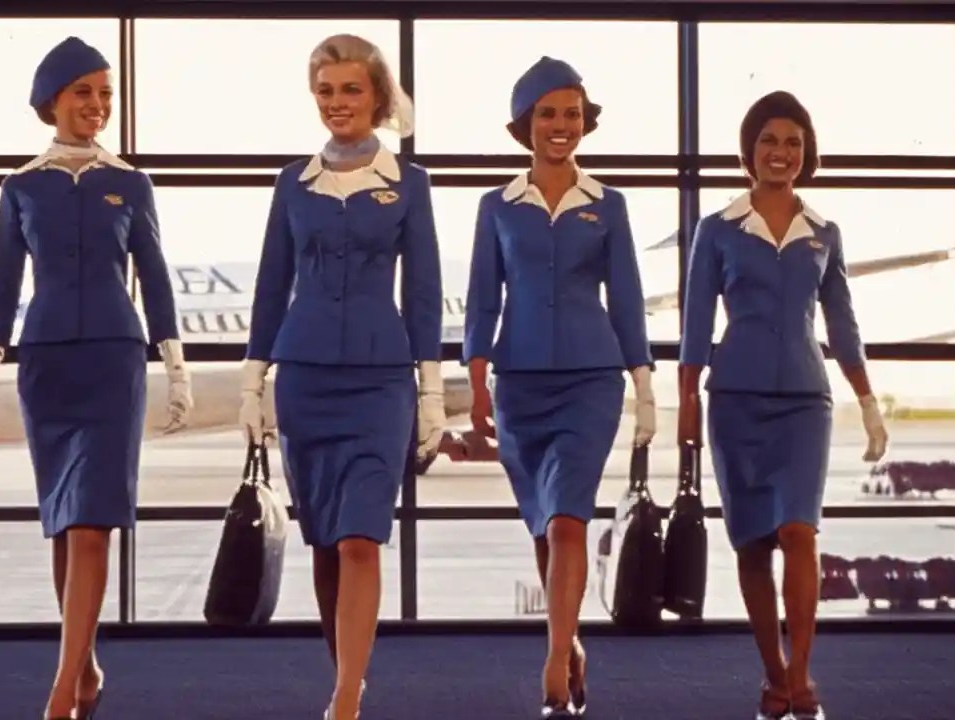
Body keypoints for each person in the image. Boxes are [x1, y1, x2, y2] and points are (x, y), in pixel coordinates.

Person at [0, 36, 193, 720]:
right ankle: (85, 663)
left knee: (94, 522)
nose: (97, 106)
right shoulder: (22, 186)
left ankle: (63, 691)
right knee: (65, 524)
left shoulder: (130, 183)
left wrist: (176, 365)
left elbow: (154, 278)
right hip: (46, 364)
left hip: (112, 362)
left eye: (105, 93)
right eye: (83, 93)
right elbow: (3, 284)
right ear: (52, 104)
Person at [237, 33, 445, 720]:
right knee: (326, 540)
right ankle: (345, 677)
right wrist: (252, 384)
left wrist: (430, 395)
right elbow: (272, 289)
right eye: (325, 91)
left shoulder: (408, 185)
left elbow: (423, 294)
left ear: (377, 97)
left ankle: (347, 701)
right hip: (304, 379)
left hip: (381, 382)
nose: (337, 104)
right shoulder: (292, 185)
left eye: (351, 90)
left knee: (362, 536)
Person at [678, 90, 889, 720]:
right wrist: (686, 400)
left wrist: (868, 400)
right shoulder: (716, 230)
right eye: (770, 140)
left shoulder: (825, 233)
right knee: (751, 544)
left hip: (804, 399)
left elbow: (844, 324)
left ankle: (800, 677)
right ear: (750, 151)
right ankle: (772, 674)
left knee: (800, 531)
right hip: (735, 400)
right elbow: (693, 324)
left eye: (793, 142)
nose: (781, 152)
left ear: (807, 153)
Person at [463, 56, 656, 719]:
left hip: (590, 380)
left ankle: (552, 665)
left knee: (570, 517)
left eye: (572, 114)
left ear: (585, 122)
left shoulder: (609, 206)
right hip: (518, 386)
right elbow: (483, 299)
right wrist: (478, 378)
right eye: (548, 113)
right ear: (526, 124)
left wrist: (645, 387)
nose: (561, 125)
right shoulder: (497, 206)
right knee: (544, 529)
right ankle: (568, 641)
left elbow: (627, 300)